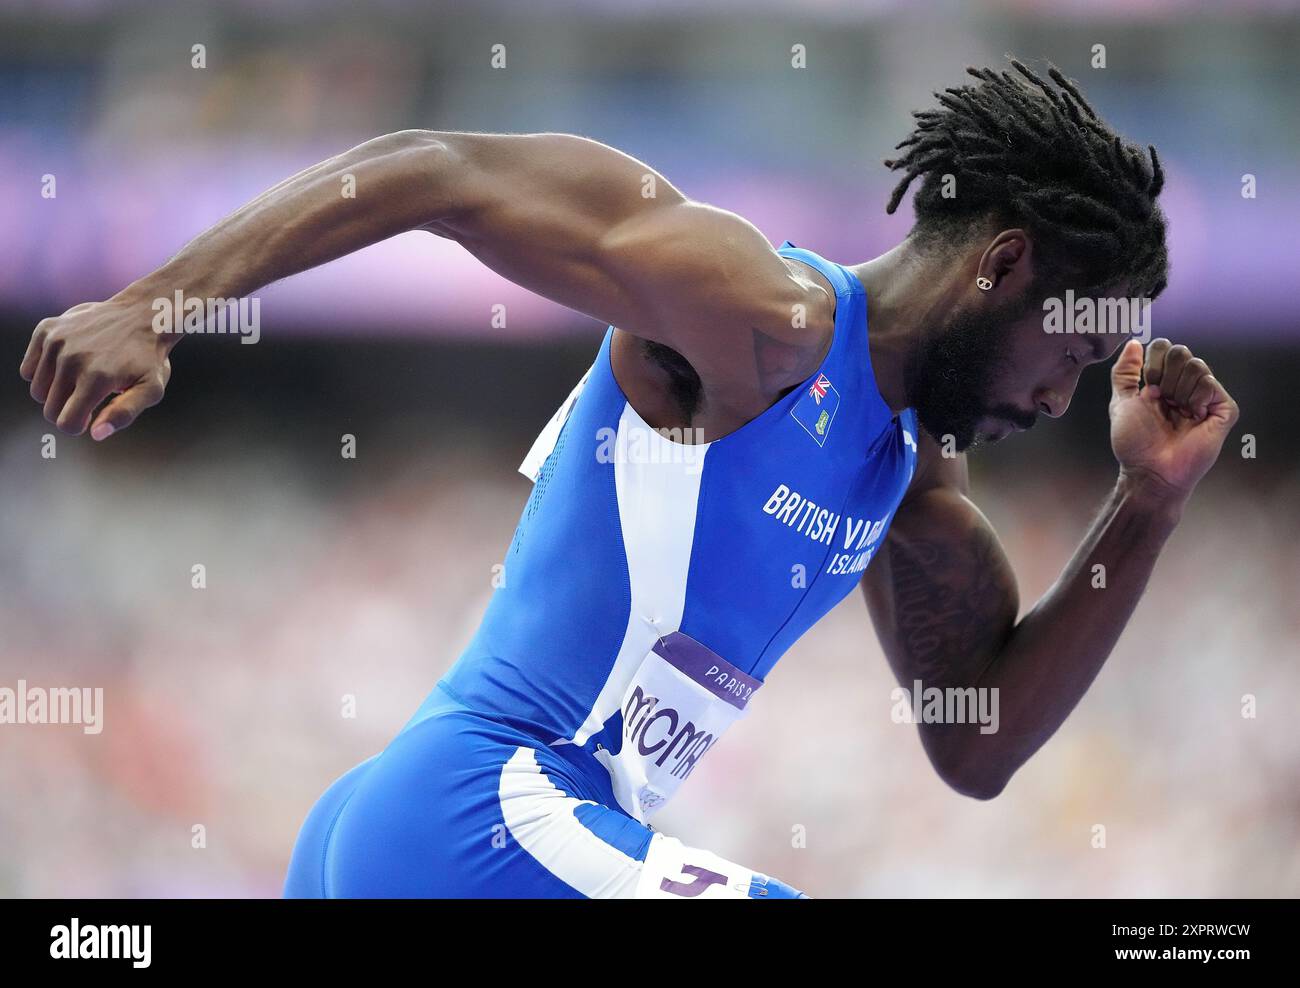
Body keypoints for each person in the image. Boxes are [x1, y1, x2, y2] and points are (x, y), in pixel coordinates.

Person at [20, 60, 1238, 898]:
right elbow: (438, 167)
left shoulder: (911, 473)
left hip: (461, 840)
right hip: (478, 808)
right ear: (1003, 263)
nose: (1059, 399)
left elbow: (975, 745)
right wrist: (153, 306)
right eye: (1069, 355)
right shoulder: (764, 318)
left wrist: (1150, 502)